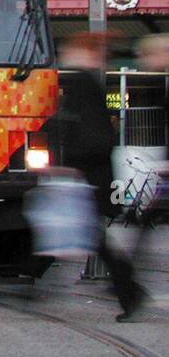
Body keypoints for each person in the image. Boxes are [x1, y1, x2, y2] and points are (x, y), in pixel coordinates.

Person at [51, 32, 146, 321]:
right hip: (95, 171)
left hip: (89, 173)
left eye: (71, 50)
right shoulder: (89, 81)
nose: (66, 55)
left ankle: (128, 289)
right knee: (95, 236)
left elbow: (87, 132)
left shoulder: (81, 82)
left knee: (94, 236)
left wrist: (67, 163)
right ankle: (127, 288)